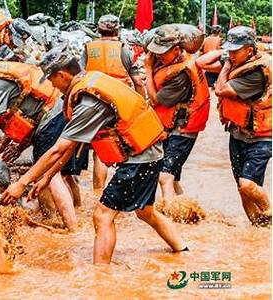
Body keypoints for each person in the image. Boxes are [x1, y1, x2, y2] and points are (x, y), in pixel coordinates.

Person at [0, 44, 188, 264]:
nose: (52, 86)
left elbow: (59, 148)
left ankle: (100, 279)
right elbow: (71, 145)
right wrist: (48, 177)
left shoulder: (88, 101)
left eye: (52, 80)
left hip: (140, 158)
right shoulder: (90, 80)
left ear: (62, 75)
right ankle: (182, 250)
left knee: (102, 216)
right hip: (146, 153)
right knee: (145, 212)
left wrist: (21, 183)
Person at [0, 58, 87, 231]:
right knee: (63, 173)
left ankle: (72, 230)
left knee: (48, 176)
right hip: (57, 111)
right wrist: (13, 145)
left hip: (50, 118)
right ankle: (78, 211)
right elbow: (19, 109)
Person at [196, 26, 272, 226]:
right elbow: (200, 62)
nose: (231, 54)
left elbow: (220, 90)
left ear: (250, 50)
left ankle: (270, 212)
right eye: (229, 49)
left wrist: (227, 65)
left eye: (235, 50)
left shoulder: (255, 72)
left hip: (260, 138)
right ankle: (260, 231)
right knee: (243, 190)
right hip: (237, 134)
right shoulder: (235, 61)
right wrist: (227, 54)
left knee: (247, 184)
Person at [144, 26, 210, 208]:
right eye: (155, 53)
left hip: (183, 130)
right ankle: (187, 214)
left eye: (162, 53)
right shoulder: (172, 62)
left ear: (175, 49)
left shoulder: (180, 74)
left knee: (165, 176)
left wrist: (148, 69)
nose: (158, 57)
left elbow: (155, 100)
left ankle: (170, 221)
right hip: (172, 127)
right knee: (171, 179)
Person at [81, 15, 145, 194]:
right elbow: (138, 82)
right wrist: (143, 107)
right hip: (119, 104)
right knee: (126, 146)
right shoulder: (125, 50)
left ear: (99, 30)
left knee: (100, 149)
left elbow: (79, 77)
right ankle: (121, 192)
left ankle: (98, 192)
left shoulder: (88, 48)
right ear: (117, 30)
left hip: (93, 103)